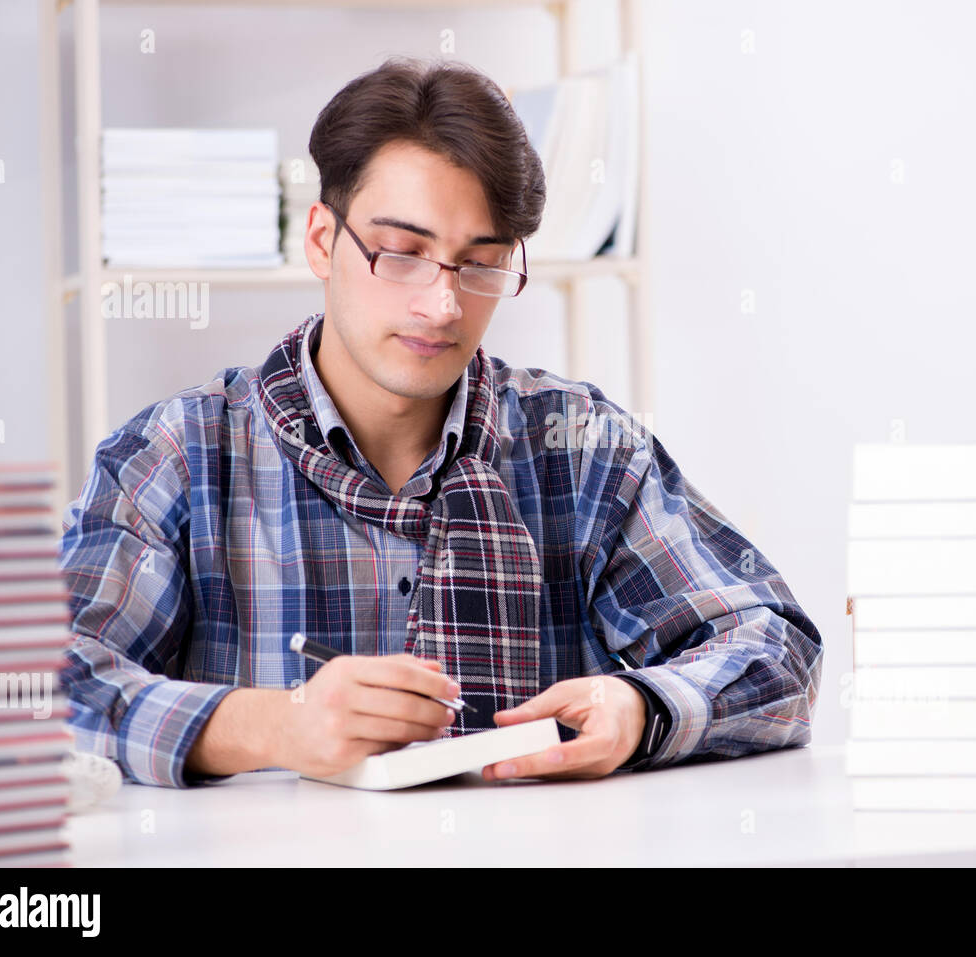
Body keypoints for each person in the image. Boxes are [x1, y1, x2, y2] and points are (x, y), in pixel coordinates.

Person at [59, 55, 822, 789]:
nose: (443, 305)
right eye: (401, 252)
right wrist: (271, 726)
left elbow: (776, 644)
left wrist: (641, 708)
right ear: (322, 240)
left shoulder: (581, 446)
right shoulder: (180, 455)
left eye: (482, 262)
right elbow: (37, 684)